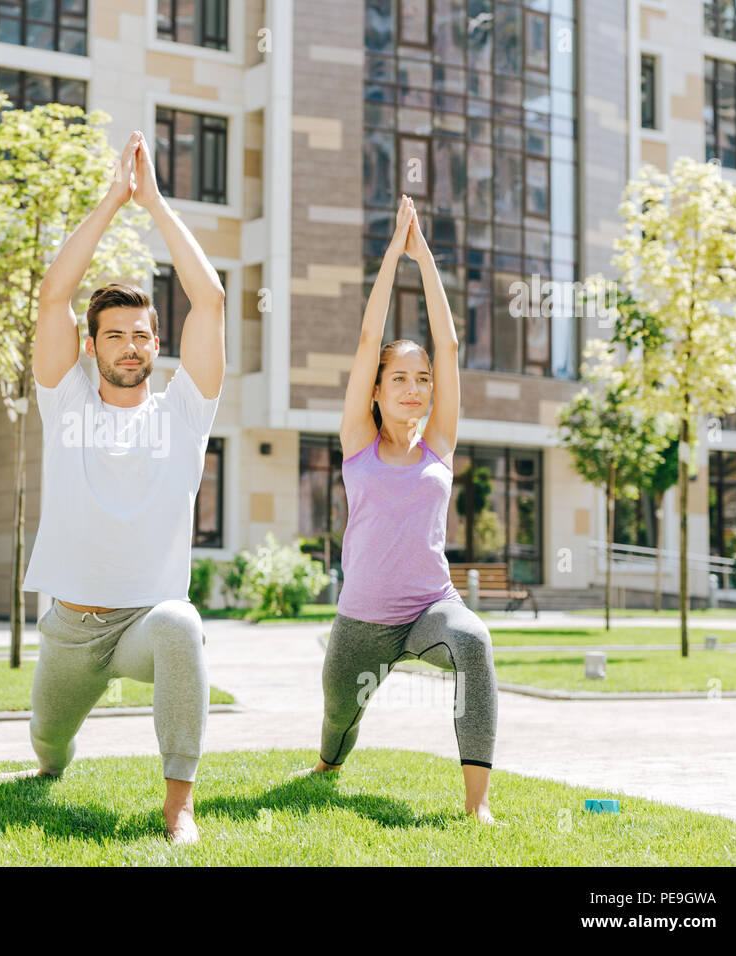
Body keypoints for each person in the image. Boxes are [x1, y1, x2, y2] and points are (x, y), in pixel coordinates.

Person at [0, 131, 226, 845]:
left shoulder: (185, 412)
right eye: (116, 334)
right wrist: (110, 201)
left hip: (143, 625)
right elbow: (54, 292)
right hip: (71, 627)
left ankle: (178, 807)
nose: (131, 345)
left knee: (183, 624)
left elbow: (211, 301)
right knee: (47, 747)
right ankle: (51, 758)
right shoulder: (67, 404)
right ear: (90, 346)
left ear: (158, 346)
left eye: (144, 334)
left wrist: (154, 203)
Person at [295, 195, 503, 826]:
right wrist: (392, 256)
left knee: (474, 642)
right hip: (361, 620)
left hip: (428, 609)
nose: (415, 389)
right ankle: (328, 766)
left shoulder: (439, 447)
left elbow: (448, 340)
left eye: (423, 380)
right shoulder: (358, 448)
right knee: (337, 722)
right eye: (400, 379)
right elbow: (366, 338)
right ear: (378, 392)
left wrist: (427, 260)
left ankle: (477, 808)